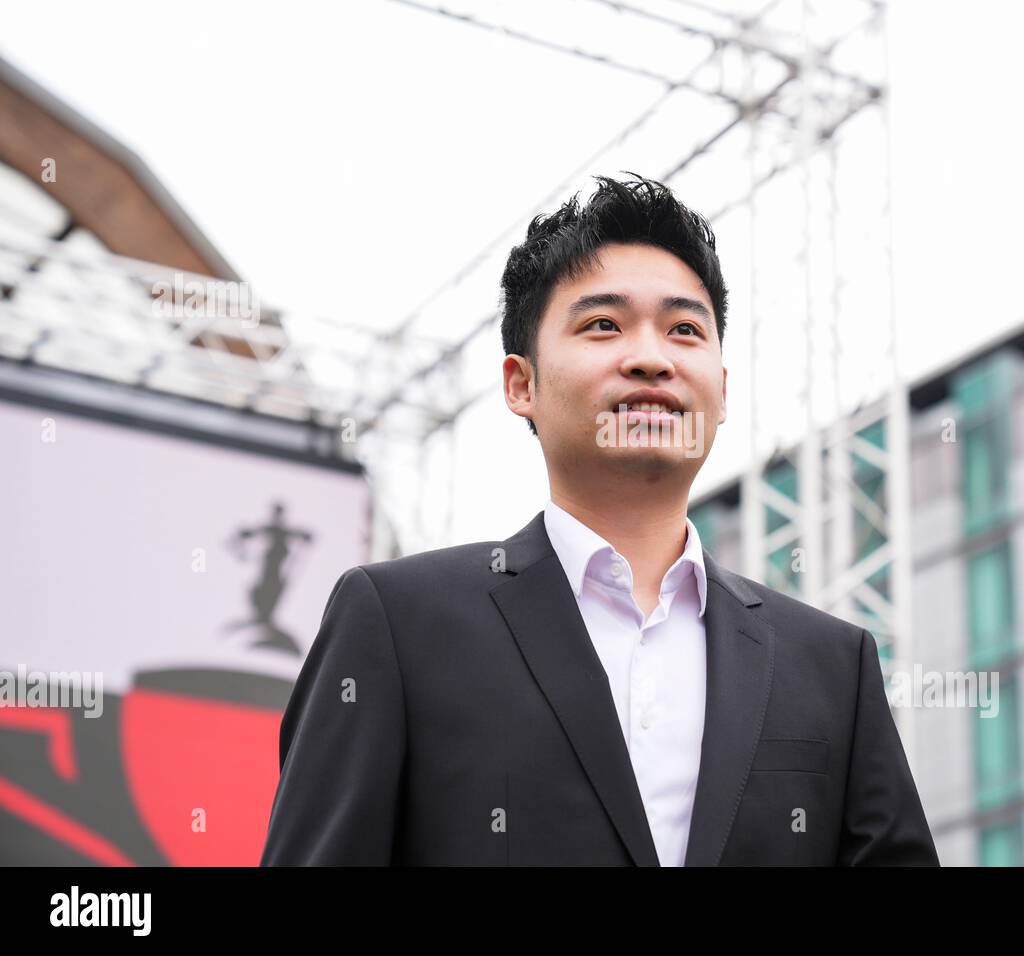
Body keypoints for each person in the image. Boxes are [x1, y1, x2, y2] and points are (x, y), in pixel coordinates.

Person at [260, 173, 939, 866]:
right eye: (603, 325)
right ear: (521, 384)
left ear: (723, 390)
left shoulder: (831, 665)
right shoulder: (397, 624)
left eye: (684, 330)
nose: (651, 357)